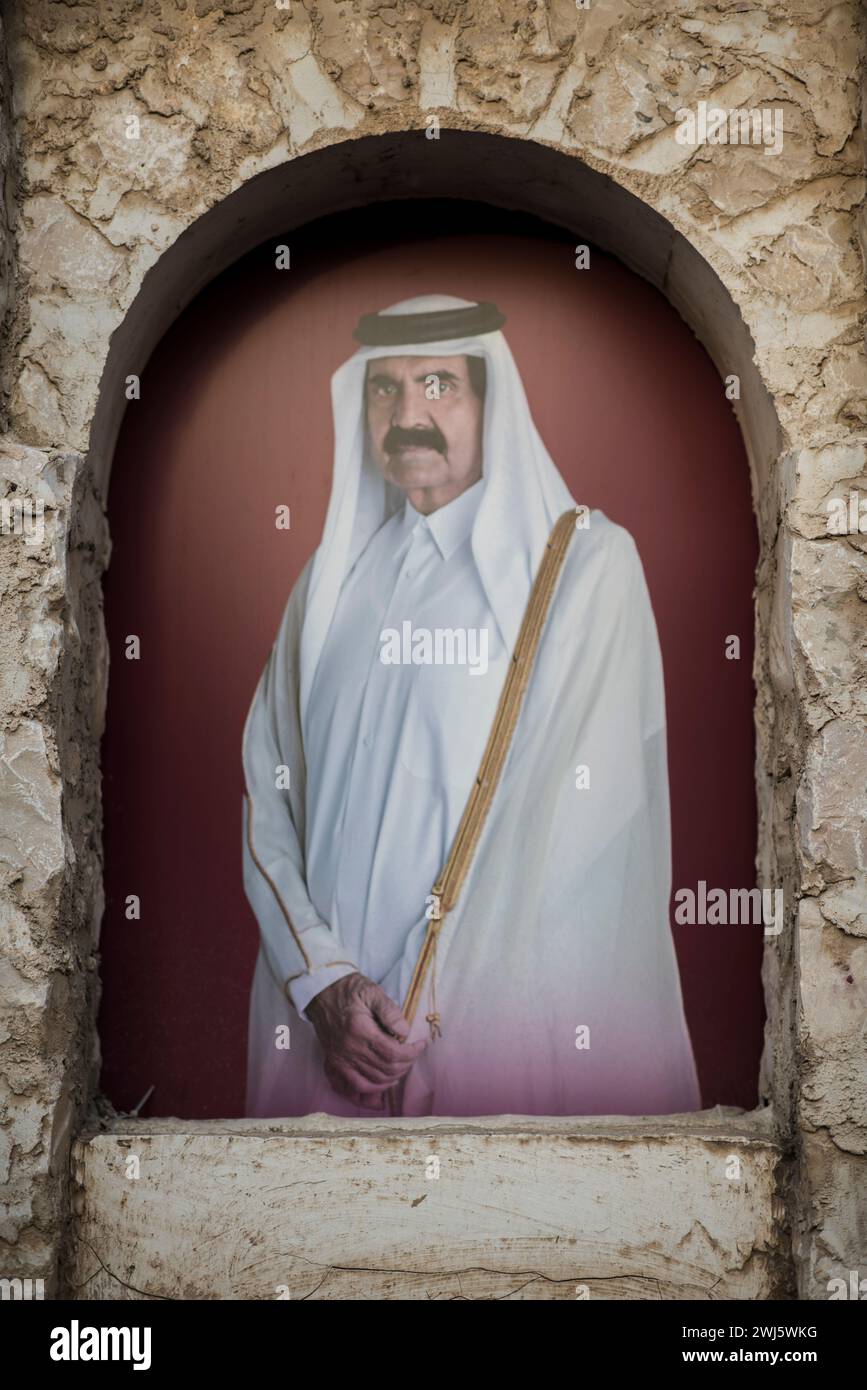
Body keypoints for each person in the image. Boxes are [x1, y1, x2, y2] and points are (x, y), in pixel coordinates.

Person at [242, 293, 702, 1118]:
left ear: (494, 402)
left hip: (487, 1046)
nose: (406, 416)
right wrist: (321, 979)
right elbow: (266, 795)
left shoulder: (583, 569)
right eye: (384, 389)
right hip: (321, 1038)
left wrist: (415, 1012)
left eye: (438, 384)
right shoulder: (329, 581)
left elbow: (571, 837)